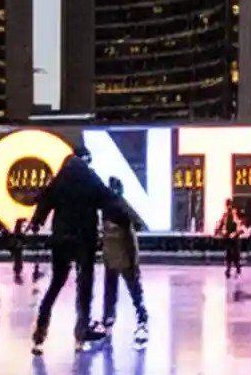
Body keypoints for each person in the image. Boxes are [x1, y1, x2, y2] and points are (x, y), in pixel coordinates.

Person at [29, 145, 129, 355]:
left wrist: (36, 222)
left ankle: (40, 334)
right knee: (84, 287)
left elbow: (45, 200)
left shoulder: (61, 177)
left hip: (61, 239)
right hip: (84, 239)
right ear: (85, 159)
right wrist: (121, 211)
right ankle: (81, 333)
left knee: (55, 284)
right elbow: (107, 200)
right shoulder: (89, 177)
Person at [99, 177, 149, 344]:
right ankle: (141, 318)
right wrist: (134, 259)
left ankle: (108, 319)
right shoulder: (122, 211)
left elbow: (106, 238)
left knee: (111, 289)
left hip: (111, 256)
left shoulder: (107, 210)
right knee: (134, 288)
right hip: (123, 256)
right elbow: (130, 239)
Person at [215, 198, 246, 278]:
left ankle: (237, 269)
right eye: (227, 205)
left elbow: (240, 225)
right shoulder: (225, 215)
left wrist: (235, 233)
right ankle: (229, 270)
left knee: (235, 255)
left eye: (229, 205)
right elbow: (221, 224)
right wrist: (220, 231)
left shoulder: (235, 214)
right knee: (229, 254)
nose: (228, 207)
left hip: (235, 238)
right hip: (228, 238)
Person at [9, 218, 28, 283]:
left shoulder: (17, 233)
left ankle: (17, 272)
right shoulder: (18, 233)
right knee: (18, 260)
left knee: (18, 260)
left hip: (17, 247)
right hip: (17, 248)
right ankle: (17, 272)